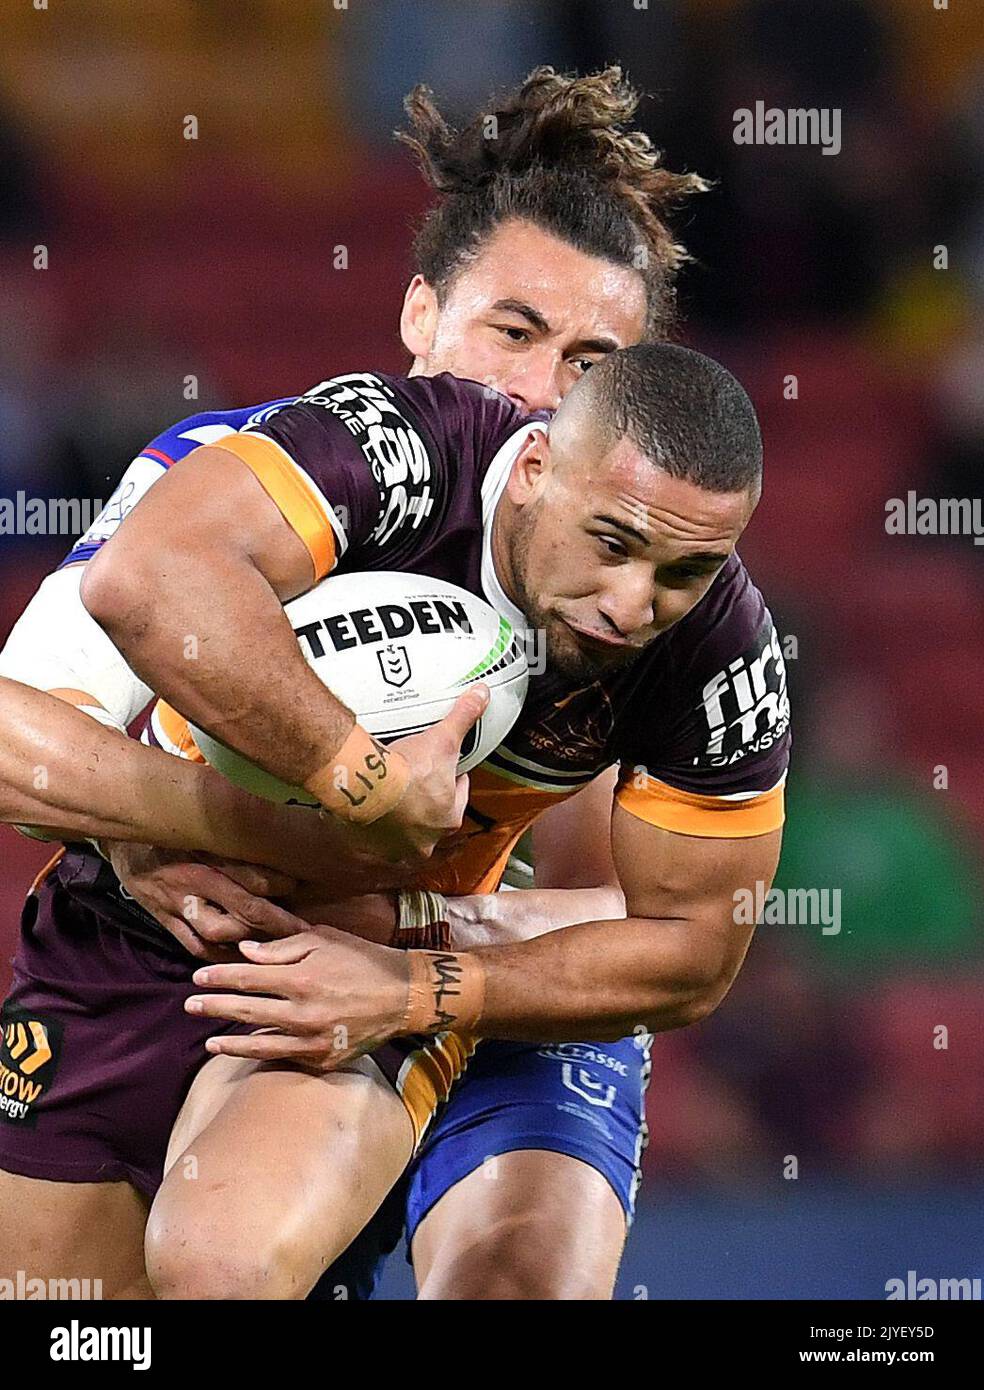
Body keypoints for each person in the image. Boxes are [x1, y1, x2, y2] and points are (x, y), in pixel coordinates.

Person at [0, 71, 781, 1300]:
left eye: (594, 360)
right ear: (418, 313)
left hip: (505, 997)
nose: (540, 393)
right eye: (512, 333)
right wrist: (291, 820)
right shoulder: (255, 484)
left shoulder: (644, 581)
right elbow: (16, 741)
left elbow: (644, 927)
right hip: (219, 952)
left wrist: (417, 943)